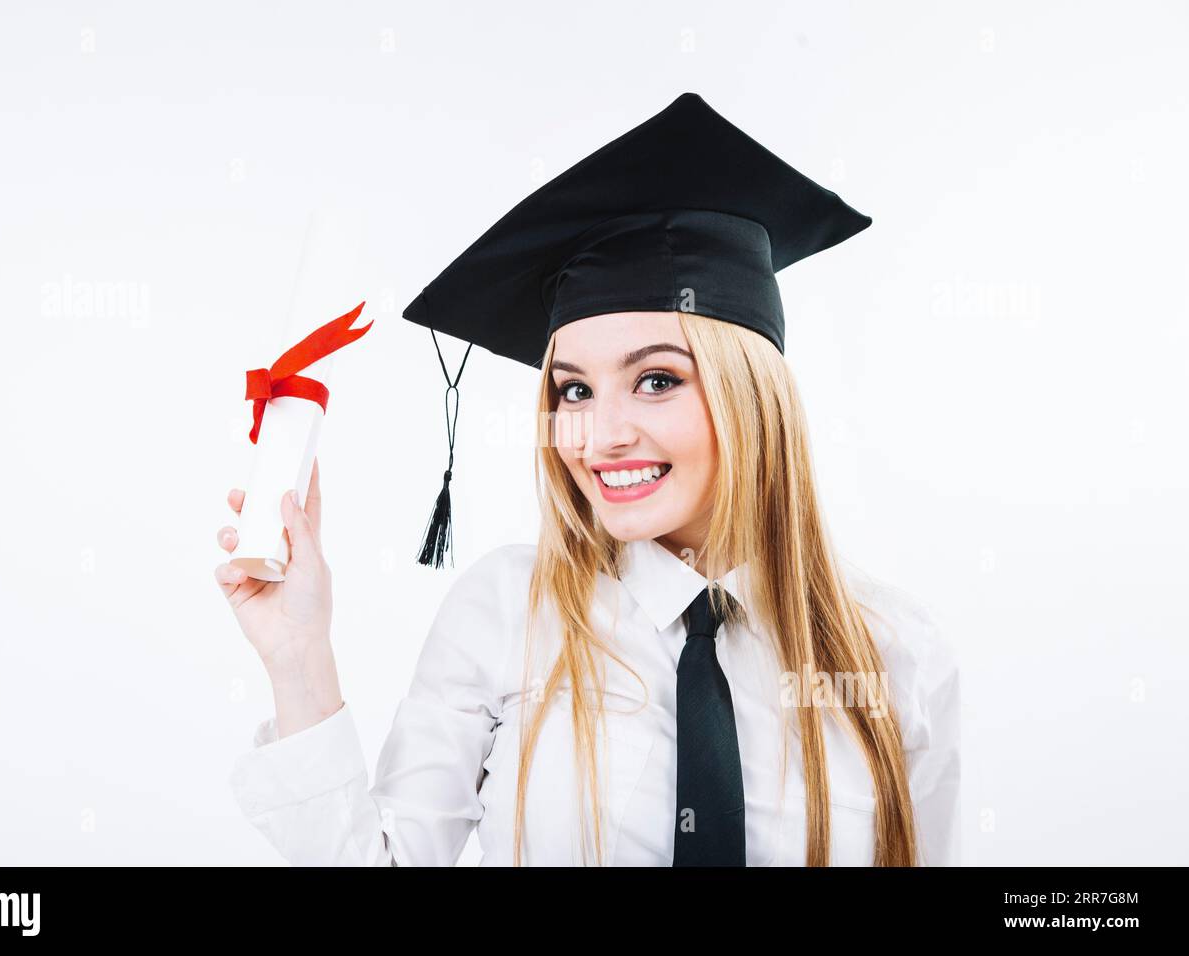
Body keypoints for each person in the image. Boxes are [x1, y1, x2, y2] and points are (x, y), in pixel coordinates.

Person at [214, 93, 961, 866]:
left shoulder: (895, 651)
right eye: (573, 390)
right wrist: (297, 657)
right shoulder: (507, 612)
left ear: (753, 397)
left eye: (657, 381)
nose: (598, 437)